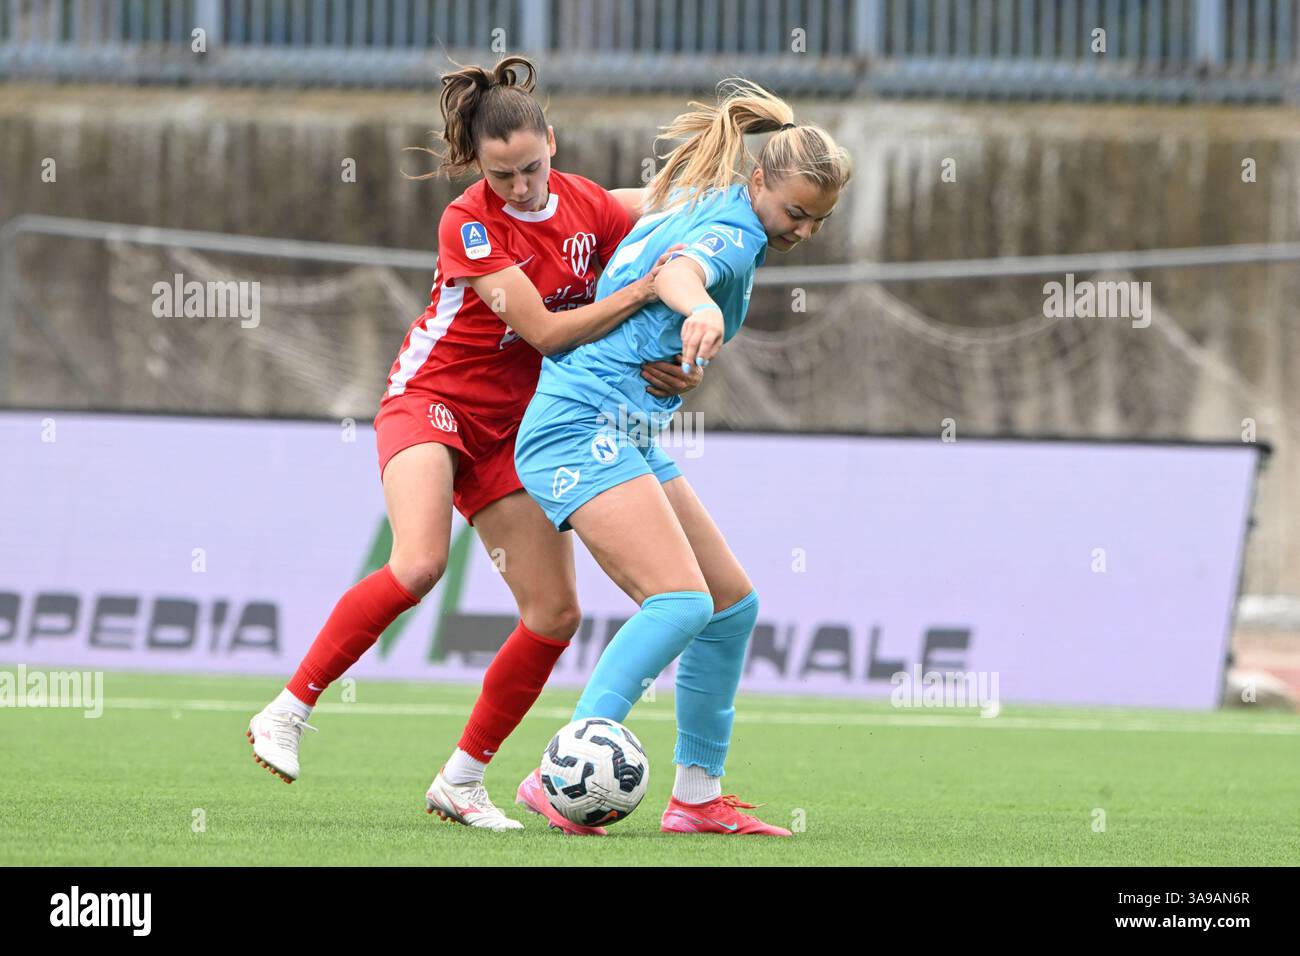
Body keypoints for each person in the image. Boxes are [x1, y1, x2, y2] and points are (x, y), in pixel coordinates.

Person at [245, 55, 701, 831]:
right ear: (477, 165)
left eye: (530, 168)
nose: (519, 186)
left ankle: (460, 780)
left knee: (555, 613)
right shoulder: (470, 221)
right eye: (502, 174)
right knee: (420, 562)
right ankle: (288, 710)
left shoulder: (589, 206)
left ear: (551, 142)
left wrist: (676, 353)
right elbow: (550, 333)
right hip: (432, 403)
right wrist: (641, 292)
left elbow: (659, 216)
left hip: (513, 432)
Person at [511, 79, 851, 836]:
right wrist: (695, 309)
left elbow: (626, 231)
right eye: (796, 212)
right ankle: (558, 774)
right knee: (682, 602)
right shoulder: (731, 233)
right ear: (758, 180)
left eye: (819, 220)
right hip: (577, 426)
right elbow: (677, 274)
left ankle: (696, 797)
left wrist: (678, 351)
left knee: (730, 606)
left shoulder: (711, 198)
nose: (802, 230)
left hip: (620, 424)